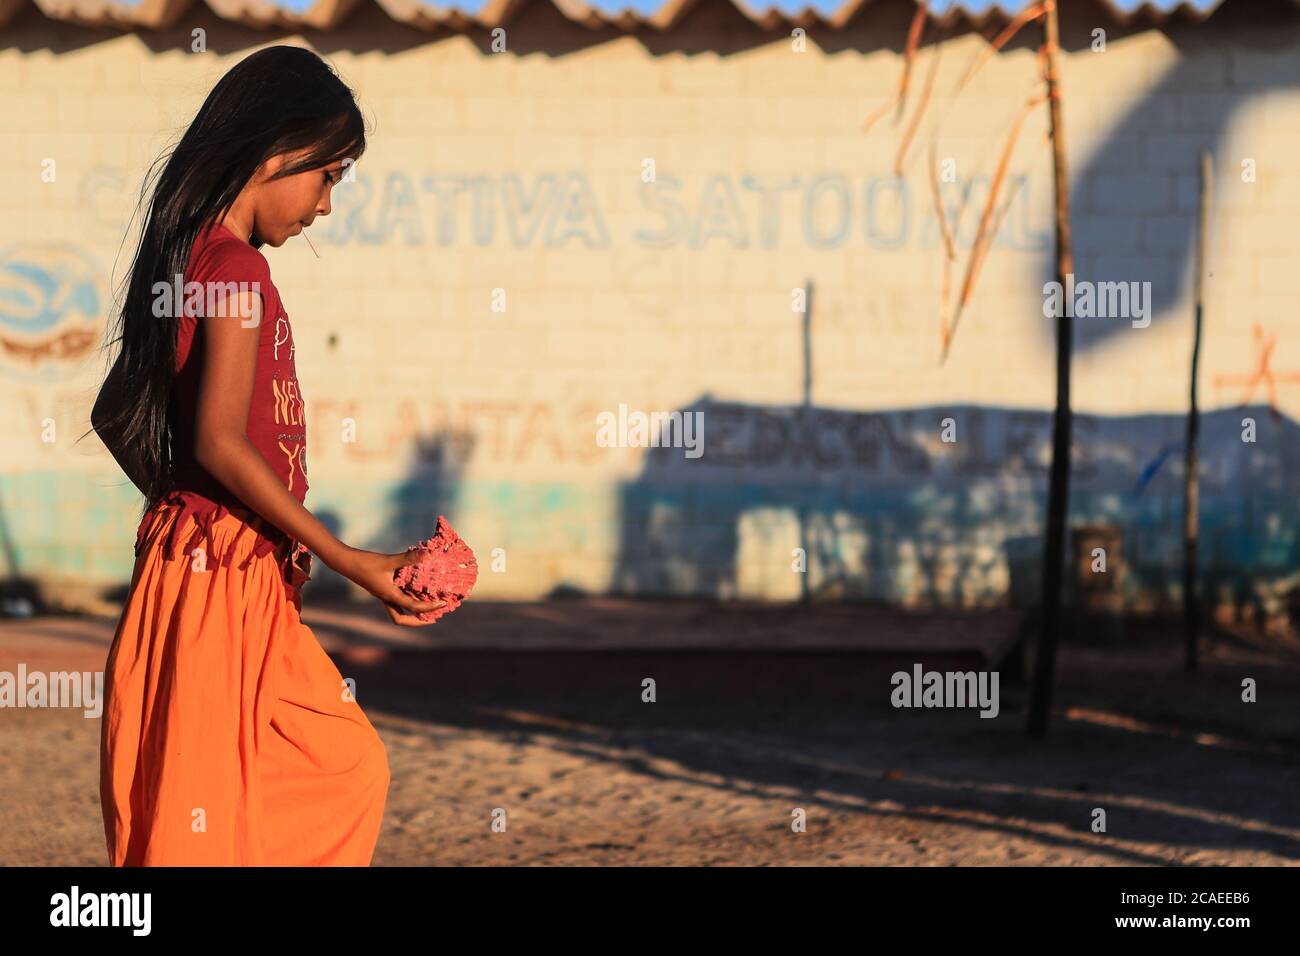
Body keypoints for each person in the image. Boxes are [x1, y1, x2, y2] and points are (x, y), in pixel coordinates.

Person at [88, 45, 444, 866]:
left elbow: (118, 413)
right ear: (279, 154)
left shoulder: (203, 262)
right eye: (330, 177)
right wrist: (351, 559)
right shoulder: (233, 268)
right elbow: (217, 439)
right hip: (214, 583)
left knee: (341, 765)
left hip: (243, 582)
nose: (325, 207)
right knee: (194, 824)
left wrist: (188, 507)